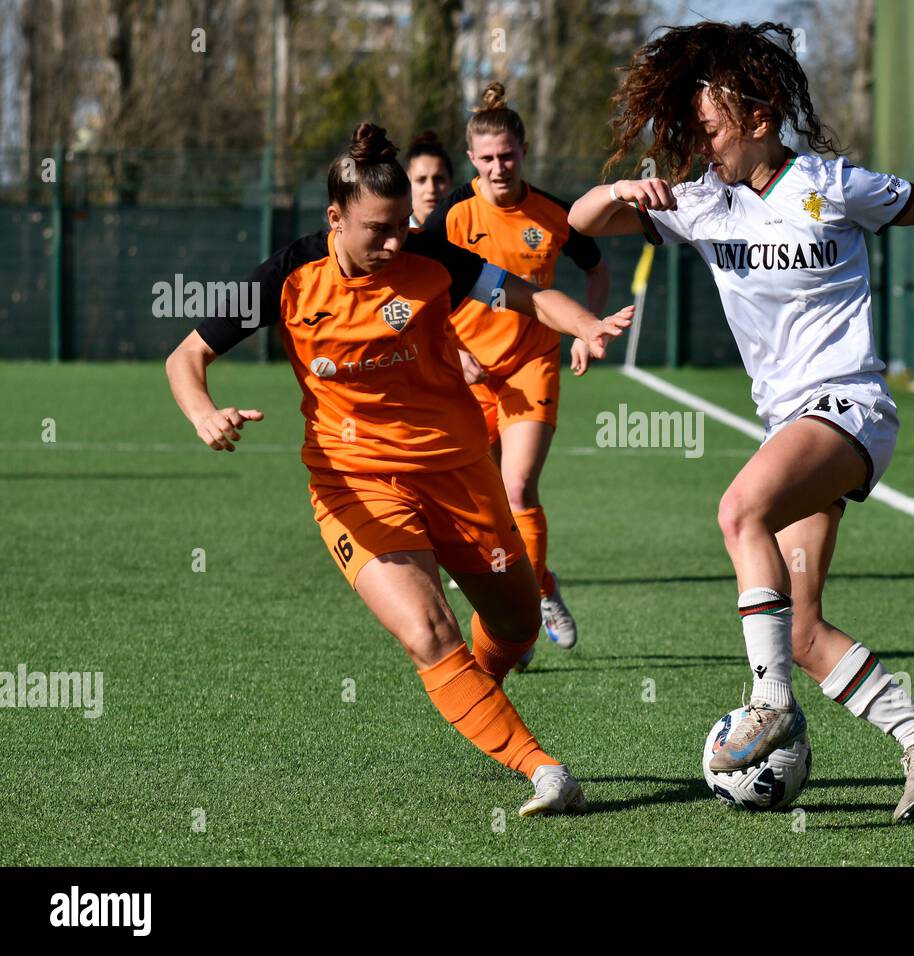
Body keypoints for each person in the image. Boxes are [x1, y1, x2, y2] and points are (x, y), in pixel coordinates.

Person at [568, 21, 914, 822]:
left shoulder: (831, 185)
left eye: (712, 131)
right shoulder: (703, 205)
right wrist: (622, 191)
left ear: (760, 121)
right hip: (790, 426)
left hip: (849, 407)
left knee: (738, 510)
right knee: (803, 630)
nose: (702, 146)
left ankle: (770, 705)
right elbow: (579, 222)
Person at [165, 123, 631, 817]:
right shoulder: (287, 276)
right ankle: (543, 768)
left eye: (401, 227)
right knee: (428, 632)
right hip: (354, 483)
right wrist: (203, 413)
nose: (395, 242)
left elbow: (528, 296)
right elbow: (186, 358)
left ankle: (481, 700)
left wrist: (585, 327)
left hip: (458, 473)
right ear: (335, 219)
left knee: (516, 625)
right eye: (378, 230)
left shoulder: (432, 257)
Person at [424, 82, 610, 659]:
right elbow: (418, 289)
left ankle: (524, 614)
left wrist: (586, 327)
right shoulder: (452, 215)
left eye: (508, 155)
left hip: (531, 365)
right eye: (487, 158)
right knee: (482, 505)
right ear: (472, 159)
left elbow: (596, 269)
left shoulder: (554, 213)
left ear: (524, 150)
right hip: (466, 375)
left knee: (519, 486)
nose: (499, 167)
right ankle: (541, 586)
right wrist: (453, 353)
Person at [405, 128, 455, 227]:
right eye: (421, 180)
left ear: (450, 182)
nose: (431, 189)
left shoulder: (465, 234)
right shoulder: (392, 238)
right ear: (406, 184)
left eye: (438, 179)